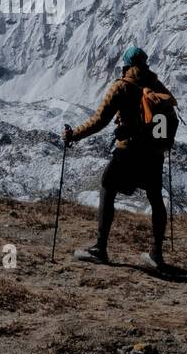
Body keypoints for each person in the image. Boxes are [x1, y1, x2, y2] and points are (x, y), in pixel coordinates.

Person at [63, 45, 172, 269]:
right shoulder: (158, 86)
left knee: (107, 186)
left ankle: (101, 247)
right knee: (155, 198)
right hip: (155, 153)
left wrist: (74, 134)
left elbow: (99, 120)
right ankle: (156, 254)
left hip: (129, 150)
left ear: (126, 66)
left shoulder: (121, 87)